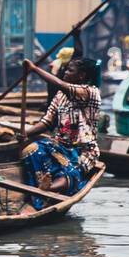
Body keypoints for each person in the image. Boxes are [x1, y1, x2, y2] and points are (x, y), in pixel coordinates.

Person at [18, 56, 101, 201]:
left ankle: (48, 188)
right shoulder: (60, 95)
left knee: (71, 172)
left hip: (83, 150)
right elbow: (47, 121)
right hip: (60, 146)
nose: (65, 72)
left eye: (70, 70)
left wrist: (35, 69)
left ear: (81, 75)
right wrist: (25, 133)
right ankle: (41, 184)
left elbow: (61, 84)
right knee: (30, 150)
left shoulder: (90, 92)